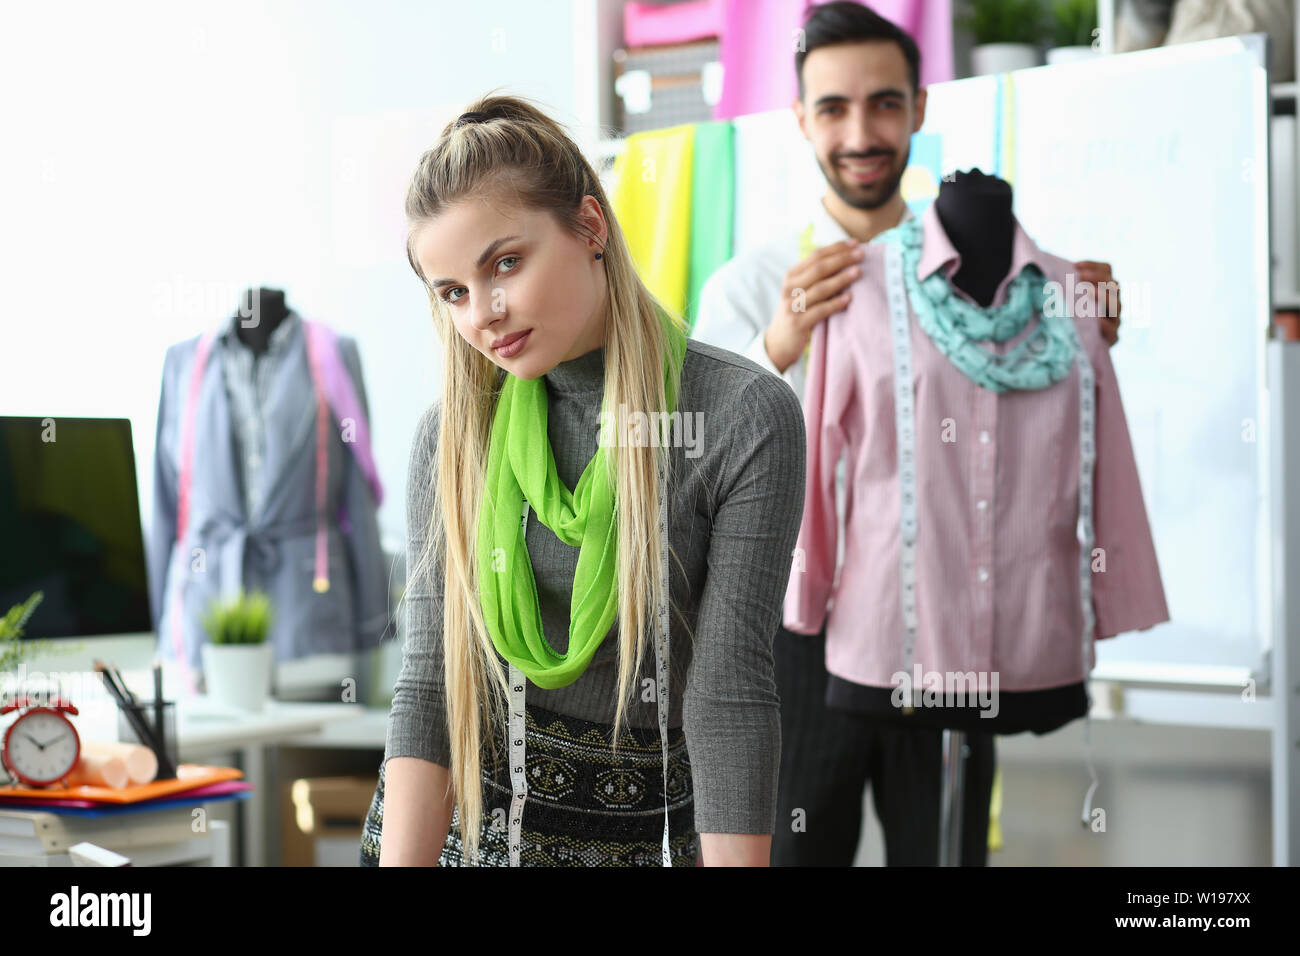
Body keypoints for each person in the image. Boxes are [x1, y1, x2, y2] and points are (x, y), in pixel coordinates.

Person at [693, 1, 1124, 867]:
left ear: (921, 108)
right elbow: (694, 461)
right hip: (797, 636)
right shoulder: (753, 282)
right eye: (834, 108)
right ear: (800, 119)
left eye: (885, 103)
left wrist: (1081, 321)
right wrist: (780, 342)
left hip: (951, 619)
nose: (862, 131)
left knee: (950, 849)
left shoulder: (996, 278)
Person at [359, 93, 806, 867]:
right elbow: (429, 684)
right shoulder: (452, 433)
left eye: (505, 263)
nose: (483, 315)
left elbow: (728, 693)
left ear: (590, 228)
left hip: (641, 844)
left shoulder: (741, 414)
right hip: (454, 842)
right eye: (453, 292)